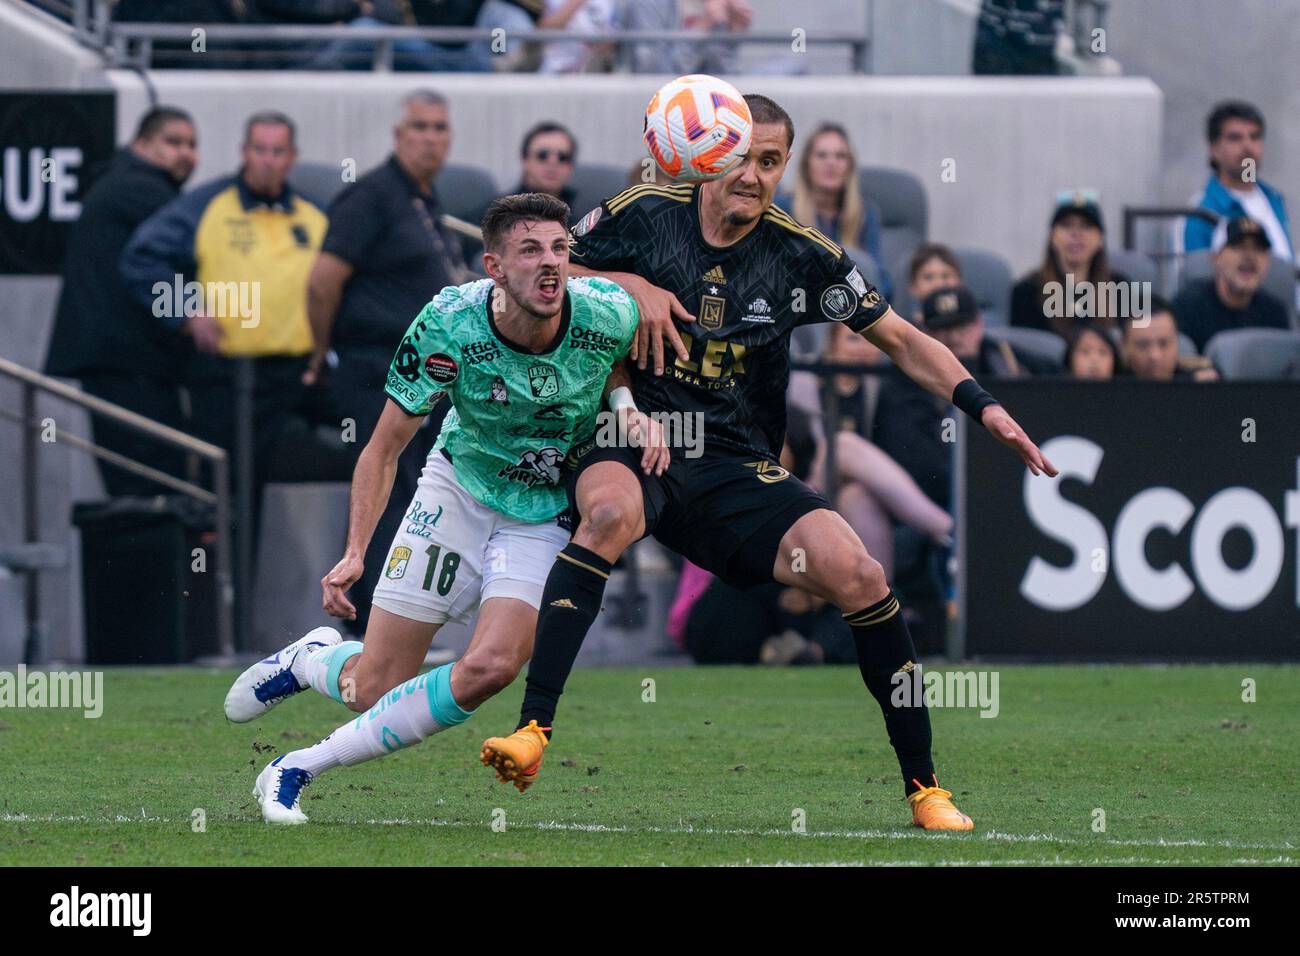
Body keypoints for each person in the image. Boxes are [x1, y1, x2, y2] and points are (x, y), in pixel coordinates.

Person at [480, 95, 1058, 830]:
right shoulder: (645, 210)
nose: (752, 174)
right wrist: (635, 288)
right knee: (608, 514)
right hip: (632, 430)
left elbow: (905, 341)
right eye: (739, 156)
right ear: (707, 155)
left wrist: (983, 406)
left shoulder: (801, 254)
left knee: (860, 575)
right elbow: (559, 277)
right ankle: (533, 732)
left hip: (731, 460)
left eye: (771, 160)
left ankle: (926, 789)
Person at [224, 194, 668, 824]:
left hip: (541, 511)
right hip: (456, 489)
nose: (551, 266)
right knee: (369, 689)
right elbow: (381, 452)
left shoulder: (605, 311)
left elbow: (616, 354)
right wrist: (354, 552)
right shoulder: (447, 325)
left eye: (560, 250)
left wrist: (626, 409)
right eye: (530, 251)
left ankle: (296, 766)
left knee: (491, 666)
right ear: (493, 266)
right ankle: (312, 659)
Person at [307, 90, 465, 632]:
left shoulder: (425, 198)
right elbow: (324, 279)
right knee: (385, 494)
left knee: (418, 497)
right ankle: (369, 625)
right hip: (375, 368)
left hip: (424, 375)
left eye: (440, 127)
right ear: (399, 136)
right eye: (419, 126)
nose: (430, 137)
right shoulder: (372, 194)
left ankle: (396, 628)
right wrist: (319, 352)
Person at [121, 111, 334, 506]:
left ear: (292, 158)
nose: (268, 159)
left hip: (301, 373)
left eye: (278, 151)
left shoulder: (314, 214)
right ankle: (224, 569)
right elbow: (140, 259)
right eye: (259, 150)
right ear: (243, 153)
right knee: (231, 497)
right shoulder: (207, 205)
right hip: (231, 377)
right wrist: (186, 309)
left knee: (379, 421)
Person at [44, 106, 198, 497]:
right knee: (151, 478)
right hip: (130, 361)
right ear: (141, 144)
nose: (185, 153)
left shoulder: (119, 182)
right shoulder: (143, 191)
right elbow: (202, 254)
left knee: (133, 477)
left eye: (192, 144)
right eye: (173, 142)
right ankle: (149, 559)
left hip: (116, 359)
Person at [1180, 101, 1293, 266]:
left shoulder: (1273, 198)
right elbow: (1194, 281)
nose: (1247, 146)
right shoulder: (1200, 212)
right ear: (1214, 149)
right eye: (1235, 138)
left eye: (1254, 137)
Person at [1010, 191, 1130, 337]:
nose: (1076, 234)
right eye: (1067, 225)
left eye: (1086, 226)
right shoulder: (1027, 292)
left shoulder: (1120, 289)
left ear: (1100, 239)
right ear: (1052, 237)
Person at [1172, 216, 1289, 352]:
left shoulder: (1275, 314)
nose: (1249, 256)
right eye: (1239, 247)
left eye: (1258, 249)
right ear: (1216, 258)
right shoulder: (1187, 307)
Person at [1121, 297, 1218, 382]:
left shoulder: (1200, 384)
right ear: (1124, 346)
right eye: (1143, 345)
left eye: (1164, 344)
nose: (1155, 356)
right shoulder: (1109, 387)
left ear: (1178, 342)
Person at [505, 122, 579, 213]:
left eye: (563, 157)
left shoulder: (585, 216)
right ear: (525, 160)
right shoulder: (498, 214)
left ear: (571, 167)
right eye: (543, 155)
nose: (553, 163)